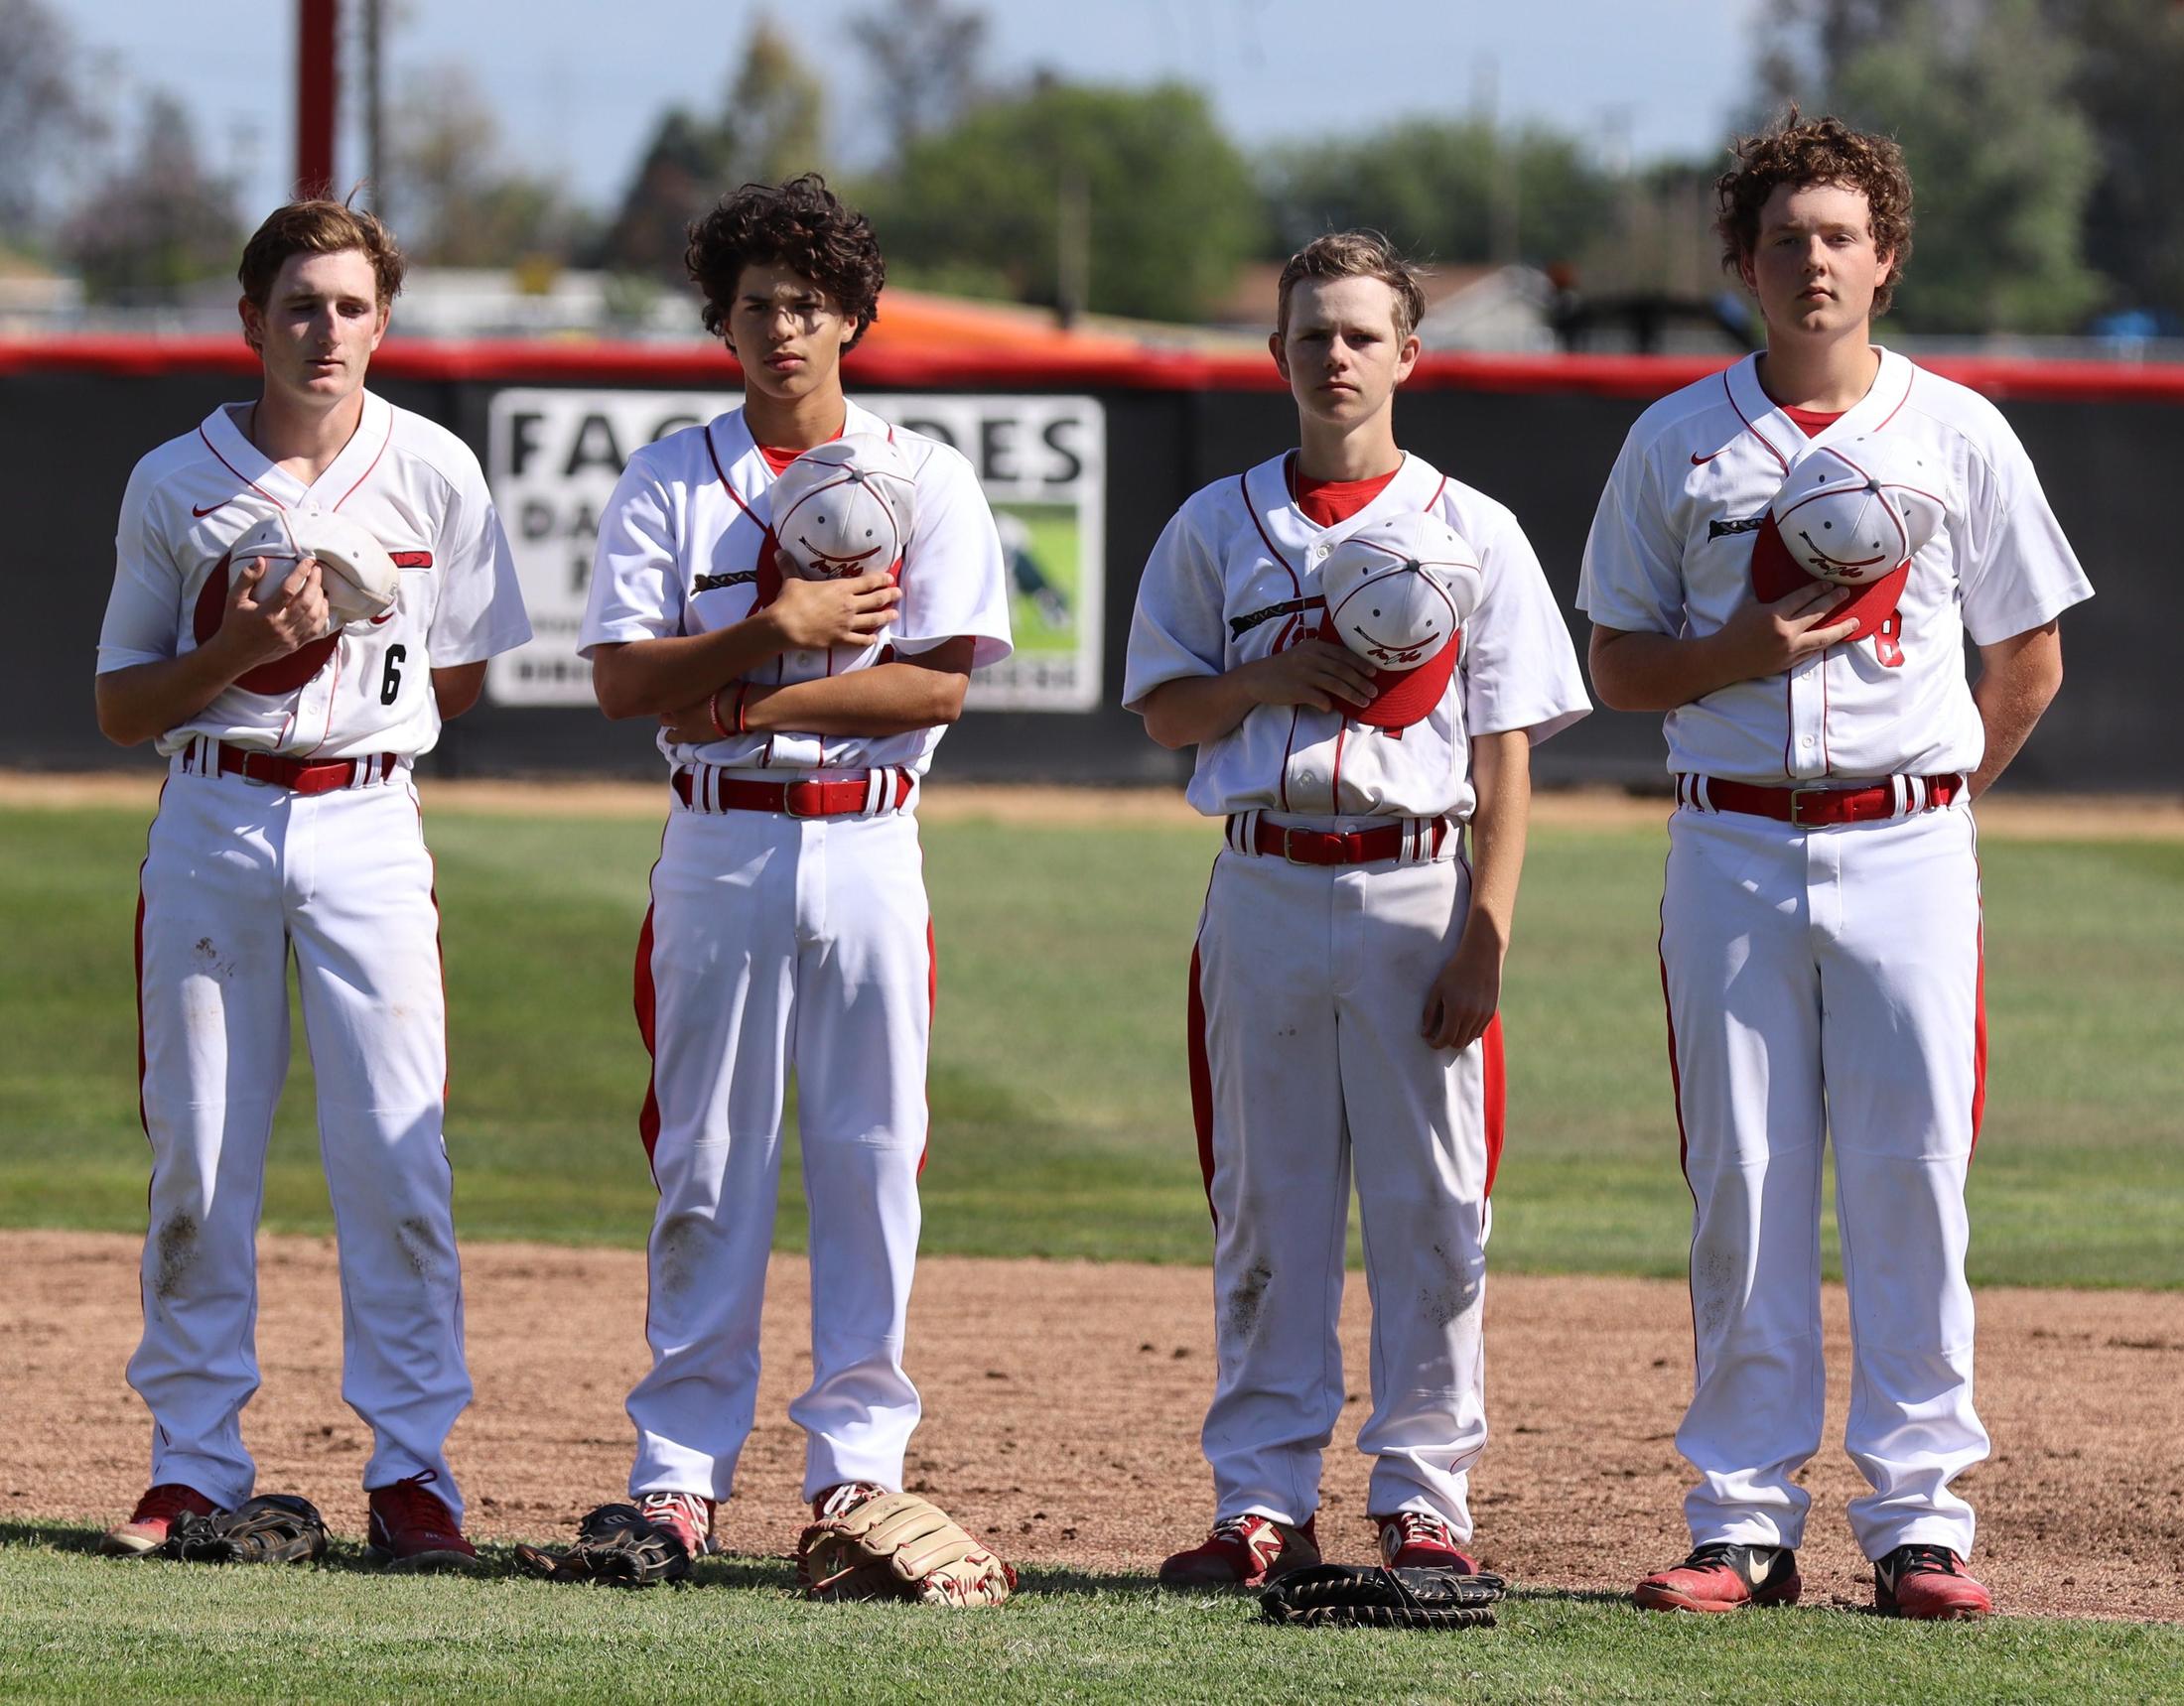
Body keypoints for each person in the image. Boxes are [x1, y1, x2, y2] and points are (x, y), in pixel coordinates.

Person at [1577, 113, 2091, 1621]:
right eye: (1787, 236)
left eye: (1842, 235)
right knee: (1740, 1182)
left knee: (1913, 1182)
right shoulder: (1676, 436)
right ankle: (1742, 1518)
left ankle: (1921, 1522)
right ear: (1742, 263)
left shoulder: (1959, 430)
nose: (1816, 259)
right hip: (1728, 839)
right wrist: (1727, 656)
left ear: (1886, 259)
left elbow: (2032, 656)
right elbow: (1611, 661)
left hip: (1909, 846)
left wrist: (1938, 801)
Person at [1124, 231, 1589, 1589]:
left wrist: (1483, 937)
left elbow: (1504, 755)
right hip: (1264, 878)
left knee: (1433, 1206)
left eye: (1361, 334)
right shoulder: (1218, 524)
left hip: (1413, 882)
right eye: (1312, 333)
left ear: (1408, 354)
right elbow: (1165, 708)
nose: (1336, 356)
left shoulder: (1472, 530)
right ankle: (1262, 1499)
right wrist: (1269, 680)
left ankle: (1425, 1494)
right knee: (1267, 1206)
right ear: (1277, 354)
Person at [570, 174, 1012, 1565]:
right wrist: (785, 626)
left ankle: (856, 1463)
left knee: (874, 1159)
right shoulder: (668, 476)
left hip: (871, 839)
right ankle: (679, 1469)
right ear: (722, 319)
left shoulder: (926, 476)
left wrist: (759, 695)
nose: (782, 328)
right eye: (757, 303)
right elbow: (626, 680)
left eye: (808, 305)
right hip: (719, 842)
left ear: (854, 319)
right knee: (705, 1160)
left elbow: (936, 693)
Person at [93, 198, 531, 1569]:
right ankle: (192, 1466)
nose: (324, 330)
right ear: (250, 320)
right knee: (201, 1153)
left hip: (368, 826)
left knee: (397, 1155)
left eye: (349, 307)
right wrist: (235, 651)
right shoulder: (180, 479)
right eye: (298, 304)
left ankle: (413, 1472)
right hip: (215, 815)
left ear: (384, 323)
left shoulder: (438, 471)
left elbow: (457, 672)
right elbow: (119, 705)